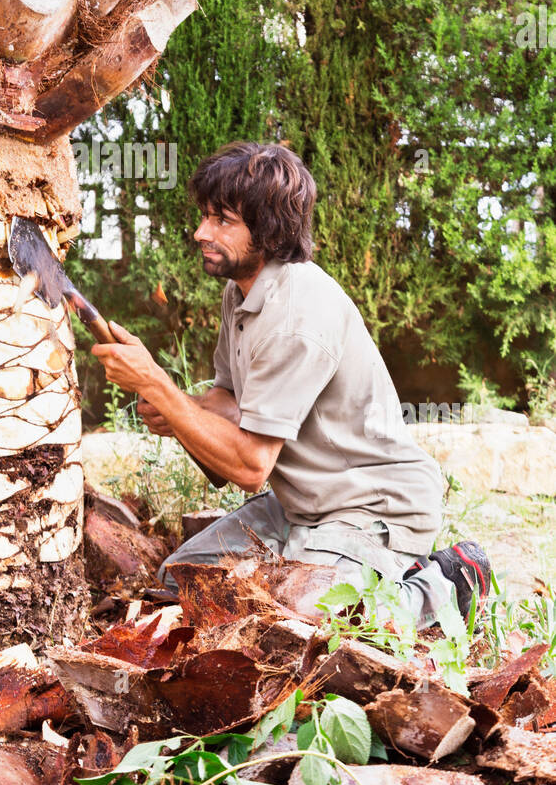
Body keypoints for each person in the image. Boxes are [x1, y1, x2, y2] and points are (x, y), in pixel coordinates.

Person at [91, 141, 491, 628]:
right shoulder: (241, 294)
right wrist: (174, 407)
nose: (200, 233)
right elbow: (228, 403)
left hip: (371, 506)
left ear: (267, 227)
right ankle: (322, 562)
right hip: (300, 504)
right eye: (204, 217)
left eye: (222, 221)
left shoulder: (298, 313)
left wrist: (161, 386)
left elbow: (249, 465)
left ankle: (446, 583)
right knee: (184, 581)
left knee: (300, 623)